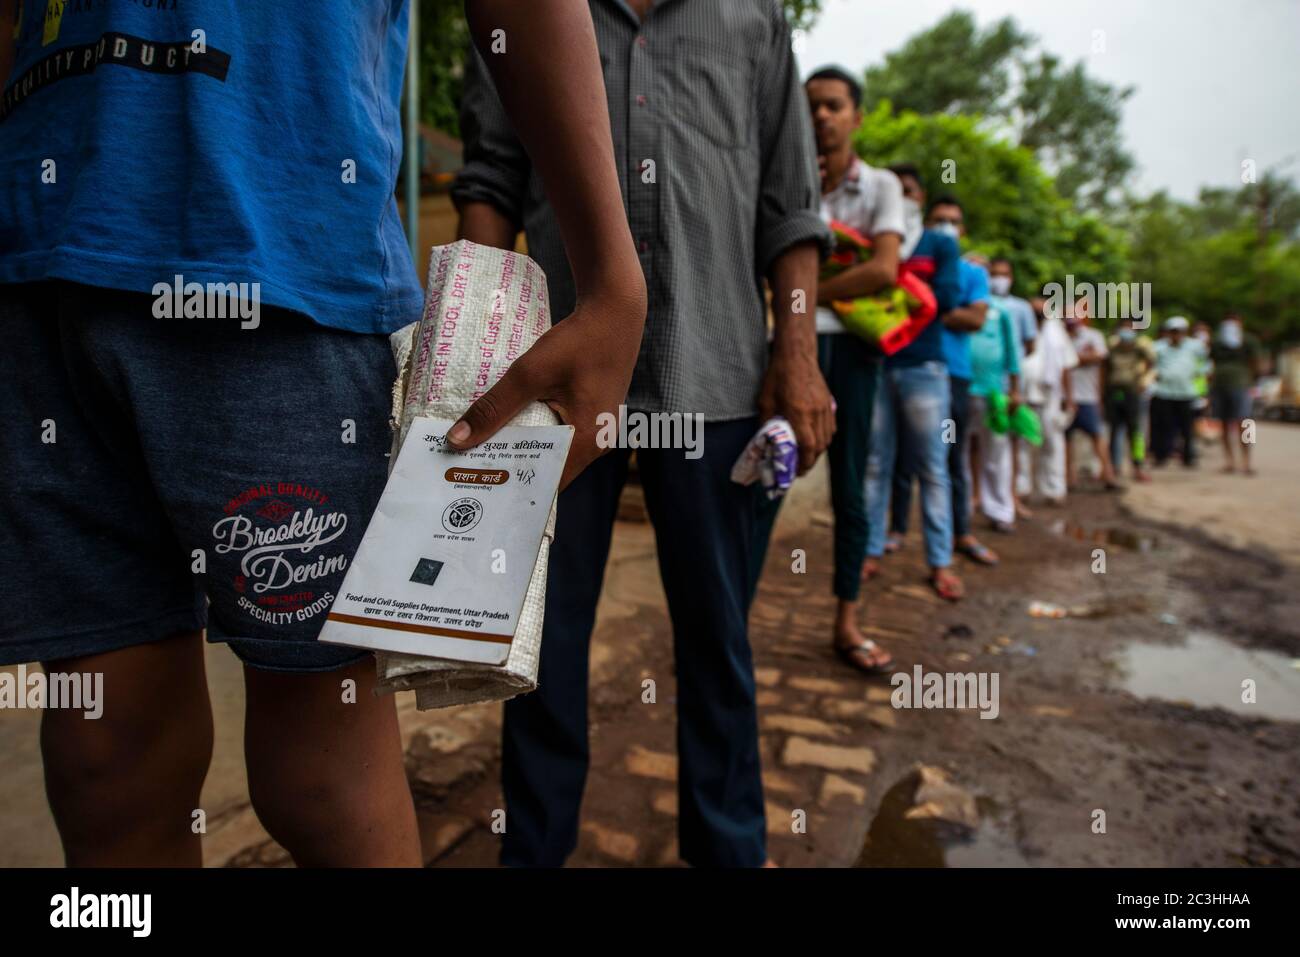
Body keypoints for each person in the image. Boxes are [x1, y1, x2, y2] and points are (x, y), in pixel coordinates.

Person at [0, 0, 647, 867]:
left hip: (281, 267)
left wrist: (613, 280)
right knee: (103, 759)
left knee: (322, 771)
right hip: (39, 272)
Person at [454, 0, 830, 868]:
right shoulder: (530, 9)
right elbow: (490, 179)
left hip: (717, 367)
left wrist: (799, 356)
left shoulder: (754, 19)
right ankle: (536, 851)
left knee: (719, 638)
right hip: (558, 380)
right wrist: (472, 341)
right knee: (538, 644)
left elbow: (790, 207)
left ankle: (729, 849)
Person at [787, 66, 904, 675]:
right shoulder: (787, 180)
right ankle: (728, 627)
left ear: (857, 116)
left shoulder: (881, 186)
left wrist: (806, 289)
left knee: (849, 487)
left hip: (852, 352)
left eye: (834, 106)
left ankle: (847, 621)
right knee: (764, 481)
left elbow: (885, 271)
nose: (822, 117)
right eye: (811, 107)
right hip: (788, 346)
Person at [863, 176, 965, 599]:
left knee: (932, 468)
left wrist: (886, 282)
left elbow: (946, 298)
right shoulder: (874, 239)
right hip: (878, 364)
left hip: (924, 367)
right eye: (896, 190)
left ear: (920, 199)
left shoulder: (939, 245)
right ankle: (868, 550)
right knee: (875, 463)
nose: (903, 197)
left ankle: (940, 562)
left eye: (910, 190)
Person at [887, 194, 997, 570]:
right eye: (939, 219)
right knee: (901, 455)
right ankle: (896, 529)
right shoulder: (912, 255)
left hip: (953, 380)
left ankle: (961, 532)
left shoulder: (973, 273)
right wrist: (939, 309)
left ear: (962, 229)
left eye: (953, 220)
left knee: (950, 457)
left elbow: (975, 319)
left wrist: (924, 309)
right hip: (913, 369)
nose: (946, 226)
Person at [967, 296, 1023, 533]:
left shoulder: (1000, 312)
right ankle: (962, 508)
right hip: (960, 391)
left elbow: (1012, 351)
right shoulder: (957, 305)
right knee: (954, 448)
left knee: (996, 453)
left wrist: (1015, 390)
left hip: (994, 395)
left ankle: (1001, 511)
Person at [1016, 297, 1078, 505]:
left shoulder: (1057, 331)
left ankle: (1053, 489)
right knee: (1022, 443)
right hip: (1023, 394)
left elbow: (1066, 366)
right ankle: (1021, 487)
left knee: (1052, 443)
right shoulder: (1020, 326)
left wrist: (1069, 399)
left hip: (1051, 396)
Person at [988, 257, 1037, 518]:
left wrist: (1013, 375)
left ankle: (1012, 496)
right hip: (984, 385)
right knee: (979, 443)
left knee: (1011, 442)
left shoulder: (1021, 308)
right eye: (994, 273)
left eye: (1003, 273)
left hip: (1010, 385)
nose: (999, 278)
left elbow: (1029, 345)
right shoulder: (980, 303)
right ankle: (978, 497)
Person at [1065, 298, 1120, 489]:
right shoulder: (1059, 337)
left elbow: (1100, 357)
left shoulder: (1093, 335)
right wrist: (1084, 357)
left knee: (1097, 436)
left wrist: (1074, 358)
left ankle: (1109, 476)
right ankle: (1068, 479)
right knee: (1066, 439)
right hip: (1064, 397)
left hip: (1088, 396)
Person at [1104, 317, 1157, 482]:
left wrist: (1143, 381)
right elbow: (1105, 370)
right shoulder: (1112, 348)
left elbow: (1152, 363)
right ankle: (1113, 467)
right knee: (1114, 432)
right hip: (1114, 393)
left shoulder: (1140, 348)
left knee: (1135, 432)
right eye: (1123, 327)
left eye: (1130, 327)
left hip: (1132, 393)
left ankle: (1138, 466)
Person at [1209, 313, 1262, 475]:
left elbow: (1256, 362)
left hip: (1242, 385)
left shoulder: (1248, 340)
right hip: (1219, 385)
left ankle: (1247, 461)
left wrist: (1253, 382)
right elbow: (1210, 360)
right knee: (1223, 424)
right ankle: (1229, 461)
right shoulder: (1217, 341)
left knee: (1246, 423)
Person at [1151, 316, 1207, 467]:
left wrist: (1201, 381)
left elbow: (1204, 365)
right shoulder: (1158, 347)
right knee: (1164, 427)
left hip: (1186, 393)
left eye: (1179, 332)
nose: (1176, 335)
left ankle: (1188, 457)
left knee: (1187, 428)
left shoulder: (1195, 346)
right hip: (1164, 392)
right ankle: (1161, 455)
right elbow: (1150, 366)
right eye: (1173, 332)